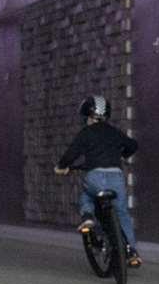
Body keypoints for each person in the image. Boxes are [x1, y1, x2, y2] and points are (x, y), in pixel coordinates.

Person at [54, 95, 141, 268]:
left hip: (96, 176)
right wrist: (123, 155)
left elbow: (72, 153)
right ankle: (132, 252)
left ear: (87, 116)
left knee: (87, 194)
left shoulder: (86, 132)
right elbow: (133, 145)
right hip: (116, 177)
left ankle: (87, 216)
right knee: (122, 213)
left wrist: (61, 166)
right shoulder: (114, 131)